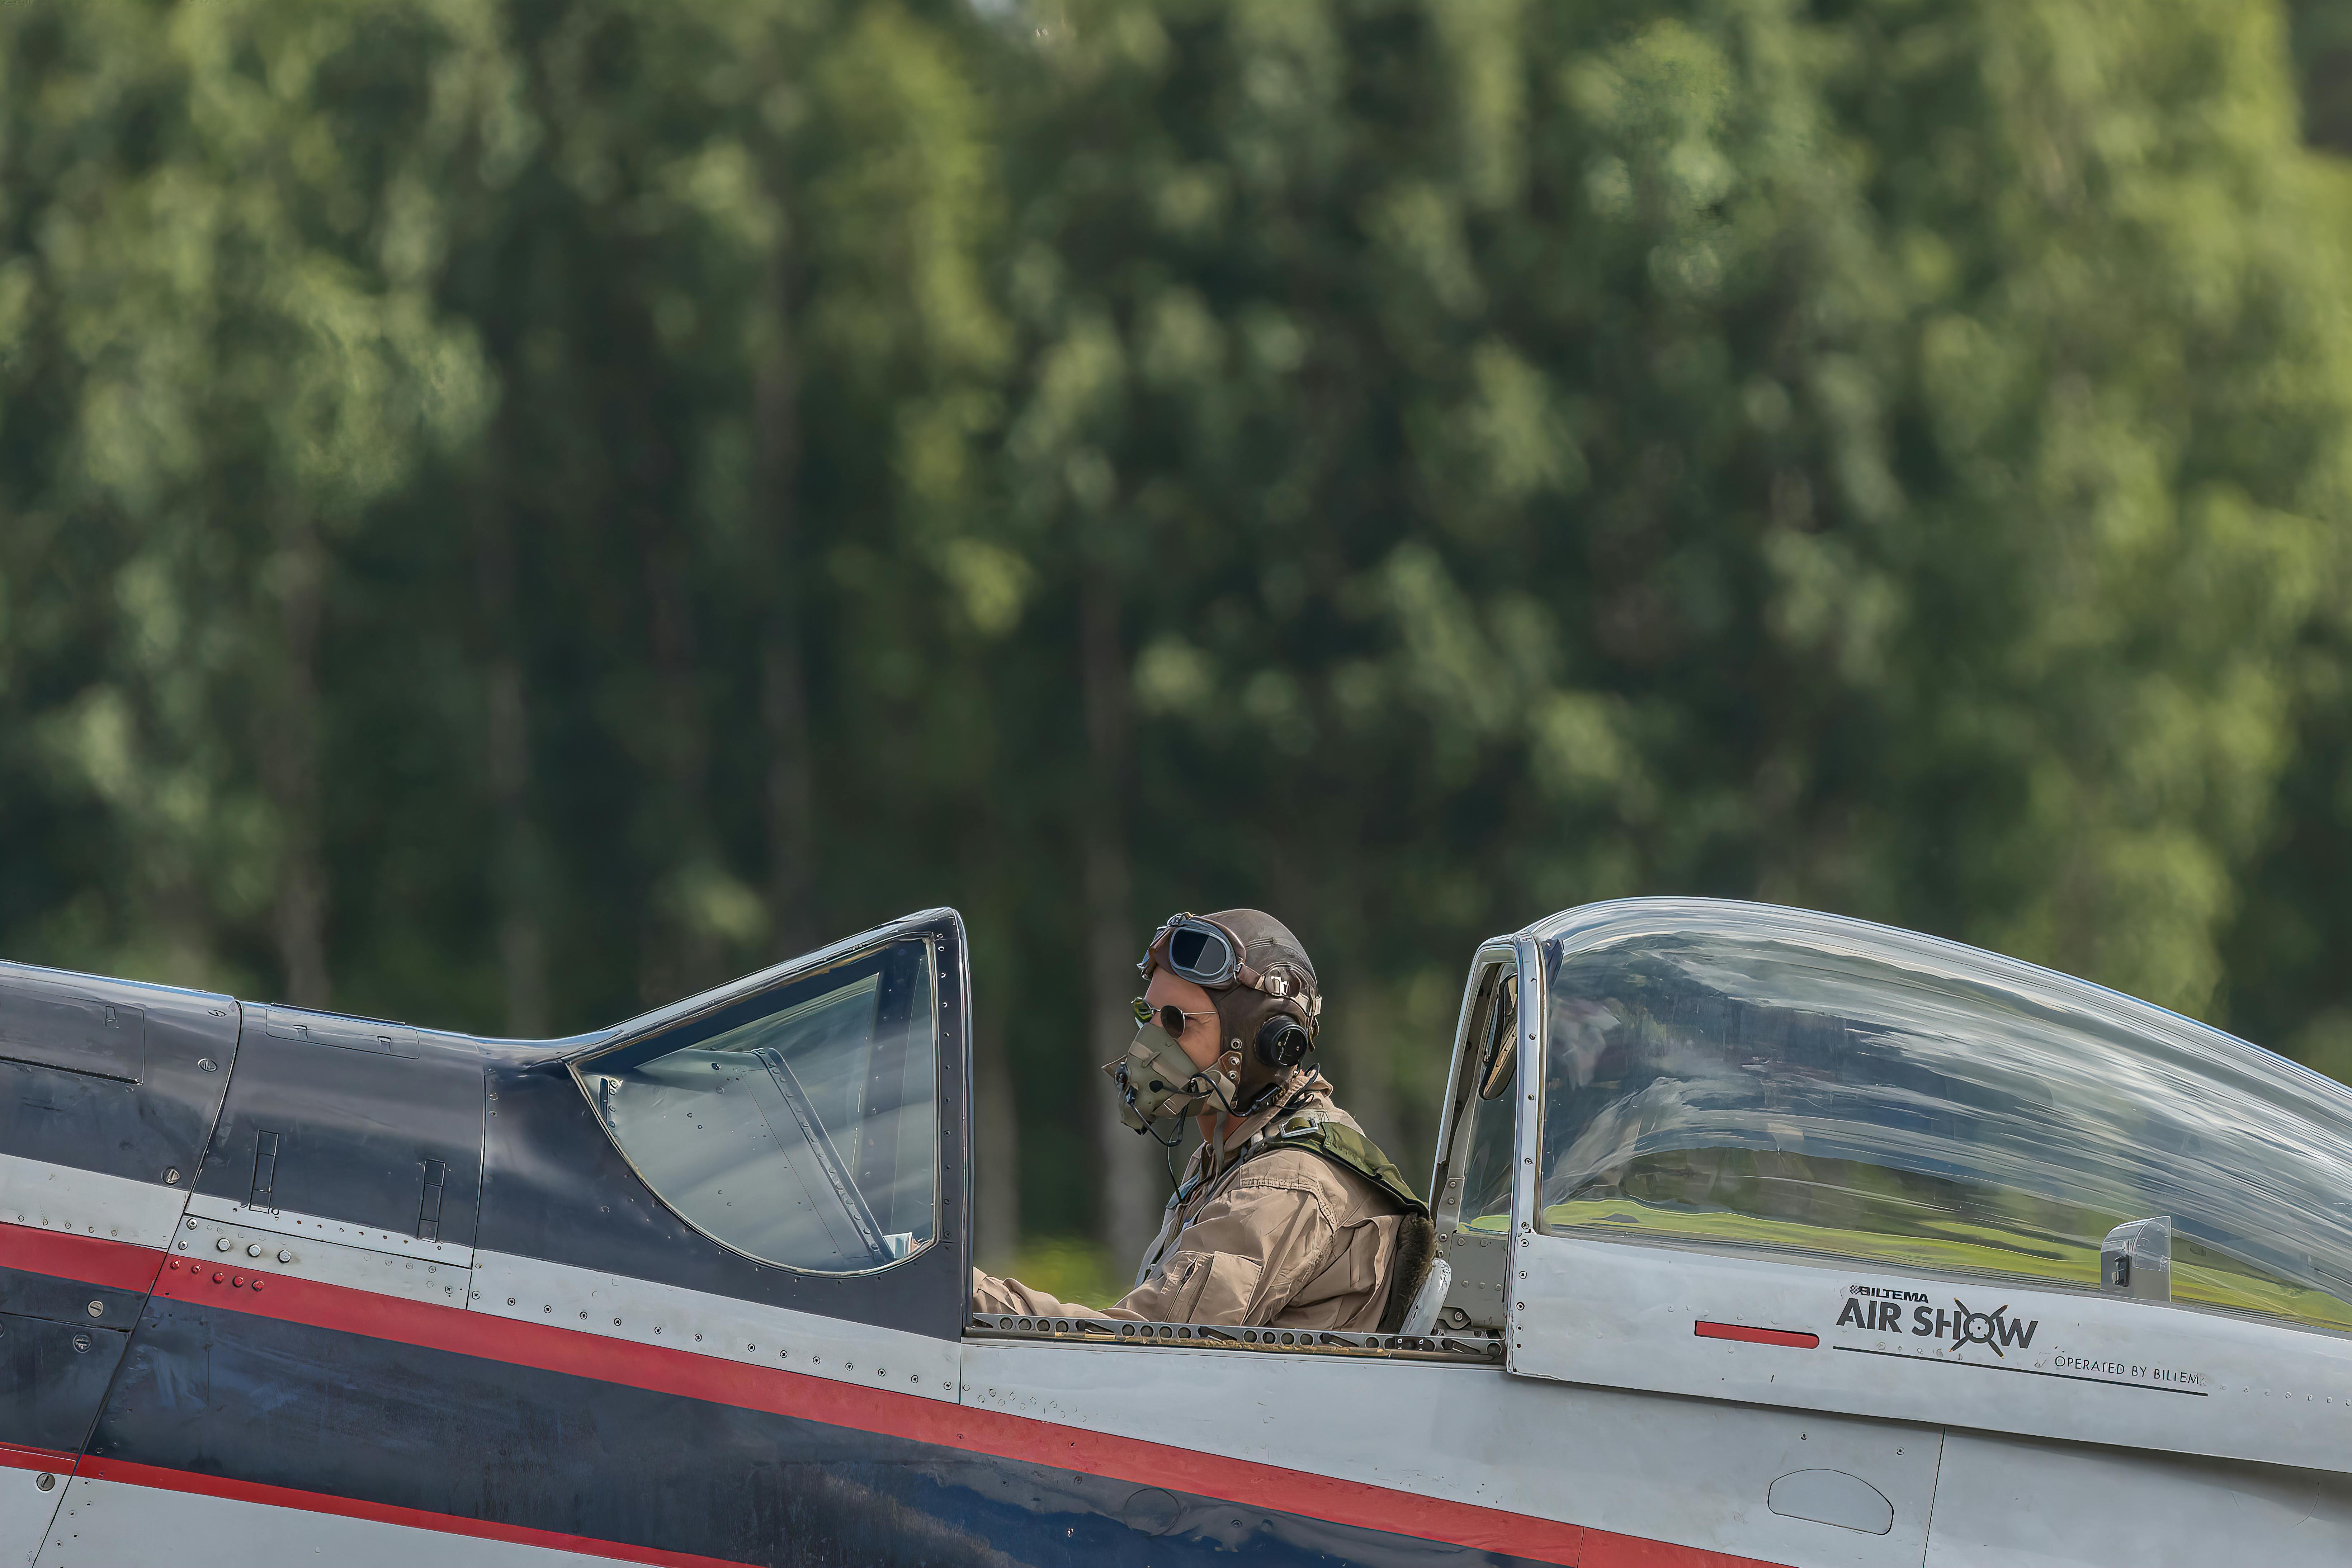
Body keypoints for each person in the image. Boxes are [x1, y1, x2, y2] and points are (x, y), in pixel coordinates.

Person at [970, 909, 1431, 1331]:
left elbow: (1141, 1347)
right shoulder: (1229, 1157)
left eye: (1177, 1022)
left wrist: (963, 1293)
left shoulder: (1284, 1183)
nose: (1152, 1042)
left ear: (1263, 1043)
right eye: (1147, 1016)